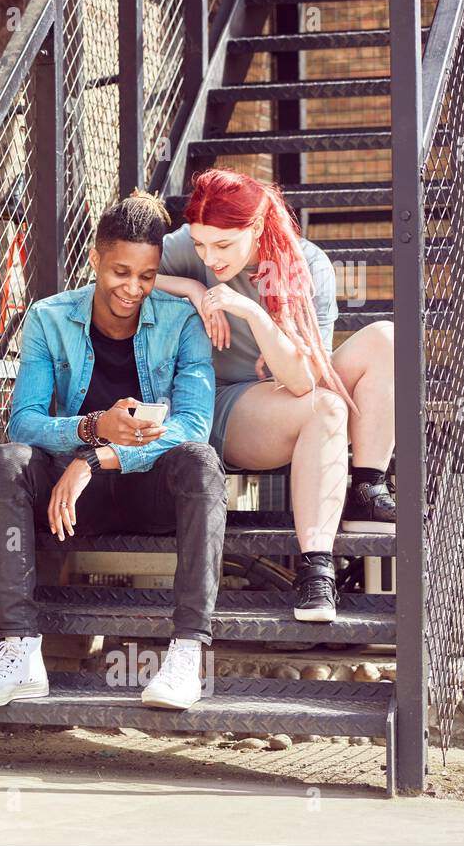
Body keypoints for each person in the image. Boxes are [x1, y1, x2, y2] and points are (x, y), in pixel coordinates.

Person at [0, 191, 227, 711]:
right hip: (75, 503)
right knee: (5, 459)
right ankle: (19, 652)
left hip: (151, 494)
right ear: (96, 259)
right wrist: (91, 427)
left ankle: (187, 652)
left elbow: (193, 424)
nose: (133, 288)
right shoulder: (49, 318)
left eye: (146, 276)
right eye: (121, 271)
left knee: (201, 462)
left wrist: (98, 458)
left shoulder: (180, 322)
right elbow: (24, 421)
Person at [154, 167, 396, 624]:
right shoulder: (188, 248)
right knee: (324, 409)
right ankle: (317, 572)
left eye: (223, 245)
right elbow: (117, 272)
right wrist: (191, 285)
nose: (211, 256)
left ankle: (366, 484)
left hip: (292, 385)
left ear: (258, 228)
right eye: (202, 244)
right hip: (224, 399)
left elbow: (304, 380)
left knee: (386, 337)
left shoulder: (307, 264)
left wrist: (251, 313)